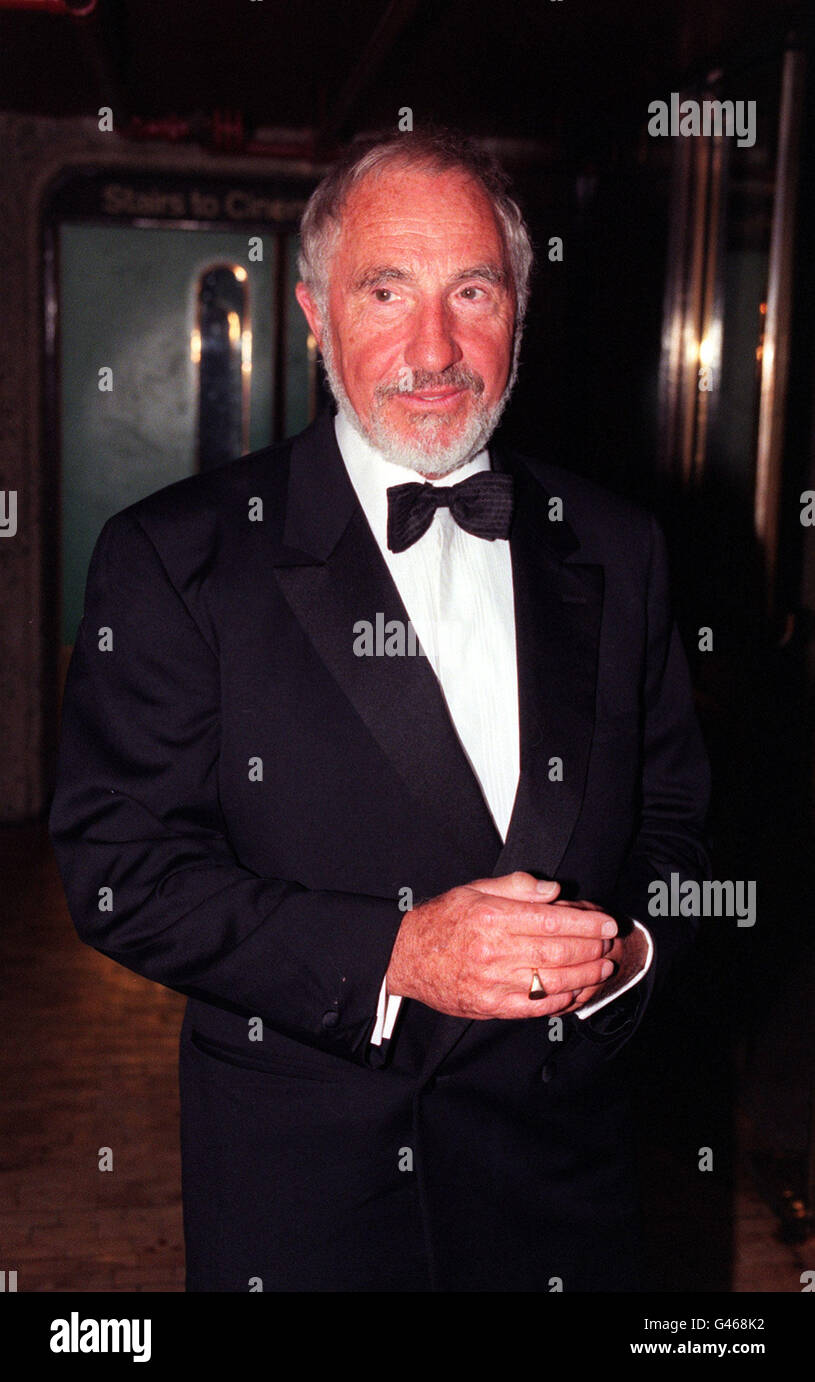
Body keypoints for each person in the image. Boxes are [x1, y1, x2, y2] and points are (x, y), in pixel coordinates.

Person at [49, 127, 710, 1292]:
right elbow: (120, 871)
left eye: (471, 290)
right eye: (385, 290)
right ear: (311, 314)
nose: (434, 347)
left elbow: (676, 826)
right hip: (311, 1210)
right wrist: (398, 954)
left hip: (571, 1196)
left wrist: (631, 949)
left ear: (518, 308)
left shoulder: (619, 546)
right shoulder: (173, 557)